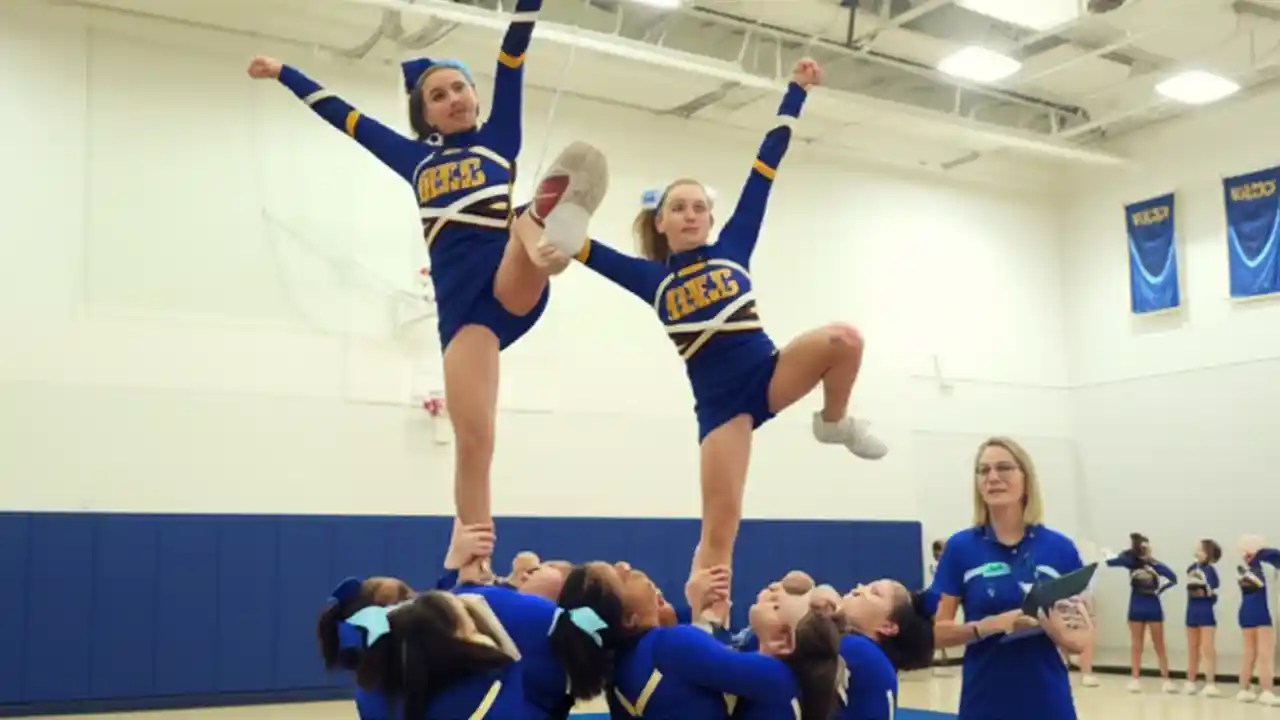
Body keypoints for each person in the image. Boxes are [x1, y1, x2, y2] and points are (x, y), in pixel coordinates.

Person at [247, 0, 609, 576]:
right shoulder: (414, 160)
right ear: (426, 116)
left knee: (521, 228)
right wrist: (285, 72)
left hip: (510, 279)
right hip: (467, 312)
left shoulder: (500, 139)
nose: (453, 99)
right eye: (437, 96)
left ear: (474, 94)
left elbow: (512, 57)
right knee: (475, 440)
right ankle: (473, 564)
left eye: (459, 88)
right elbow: (344, 116)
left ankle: (549, 231)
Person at [541, 56, 887, 625]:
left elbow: (764, 167)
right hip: (723, 408)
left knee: (844, 339)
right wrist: (554, 242)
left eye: (699, 206)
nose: (691, 214)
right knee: (719, 528)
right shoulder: (651, 279)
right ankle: (712, 622)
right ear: (660, 222)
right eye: (678, 207)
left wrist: (795, 91)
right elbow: (578, 245)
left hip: (771, 373)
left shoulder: (734, 245)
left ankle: (834, 421)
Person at [930, 437, 1094, 720]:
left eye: (1004, 468)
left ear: (1026, 478)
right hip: (984, 701)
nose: (993, 477)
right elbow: (935, 634)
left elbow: (1081, 639)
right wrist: (990, 626)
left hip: (1048, 700)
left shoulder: (1060, 549)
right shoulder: (960, 548)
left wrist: (1053, 627)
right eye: (983, 471)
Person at [832, 580, 935, 719]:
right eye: (866, 586)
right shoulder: (871, 655)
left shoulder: (859, 650)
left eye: (875, 593)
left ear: (888, 626)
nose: (858, 588)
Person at [1105, 532, 1177, 693]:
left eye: (1146, 547)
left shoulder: (1154, 564)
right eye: (1141, 547)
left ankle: (1166, 679)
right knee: (1136, 644)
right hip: (1136, 606)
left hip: (1153, 607)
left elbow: (1173, 577)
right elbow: (1110, 562)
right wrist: (1127, 554)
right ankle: (1135, 678)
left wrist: (1158, 589)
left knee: (1159, 644)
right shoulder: (1131, 562)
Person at [1235, 535, 1280, 704]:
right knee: (1265, 655)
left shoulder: (1242, 569)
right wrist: (1259, 551)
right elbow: (1276, 554)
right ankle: (1267, 691)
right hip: (1263, 613)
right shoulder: (1264, 567)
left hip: (1246, 613)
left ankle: (1243, 689)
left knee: (1248, 653)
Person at [1184, 538, 1222, 697]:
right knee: (1192, 648)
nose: (1197, 552)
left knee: (1207, 648)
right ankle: (1191, 681)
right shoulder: (1191, 568)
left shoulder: (1210, 570)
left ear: (1208, 553)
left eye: (1200, 549)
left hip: (1206, 612)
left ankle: (1210, 683)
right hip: (1192, 612)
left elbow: (1212, 588)